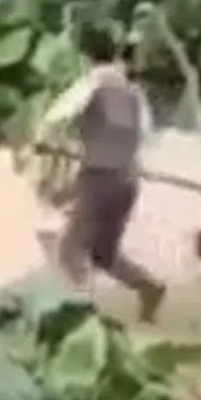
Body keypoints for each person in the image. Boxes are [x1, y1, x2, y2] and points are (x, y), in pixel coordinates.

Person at [36, 30, 166, 323]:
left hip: (98, 178)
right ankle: (148, 287)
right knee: (103, 254)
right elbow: (146, 135)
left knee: (70, 251)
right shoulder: (134, 92)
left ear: (87, 58)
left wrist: (43, 141)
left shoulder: (92, 85)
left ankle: (82, 318)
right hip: (128, 181)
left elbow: (55, 117)